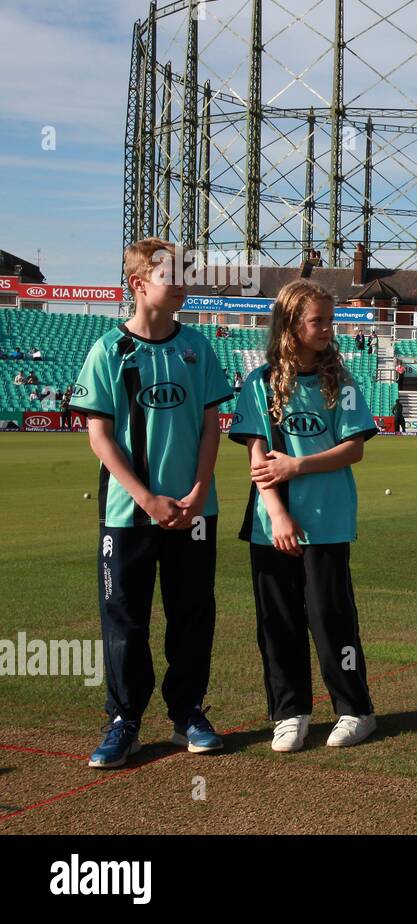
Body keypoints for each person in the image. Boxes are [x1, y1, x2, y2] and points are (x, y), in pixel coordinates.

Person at [67, 237, 233, 769]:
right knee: (125, 619)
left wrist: (199, 491)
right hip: (128, 514)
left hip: (194, 512)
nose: (182, 284)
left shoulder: (198, 348)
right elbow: (100, 436)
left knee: (192, 615)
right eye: (172, 275)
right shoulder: (108, 351)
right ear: (139, 284)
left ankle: (188, 713)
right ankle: (124, 722)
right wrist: (146, 498)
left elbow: (212, 424)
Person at [228, 279, 379, 753]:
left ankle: (355, 710)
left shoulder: (342, 381)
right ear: (291, 324)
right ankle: (289, 713)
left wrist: (299, 464)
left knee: (331, 618)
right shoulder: (260, 383)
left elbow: (353, 449)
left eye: (329, 321)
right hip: (272, 525)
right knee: (278, 622)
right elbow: (257, 458)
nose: (327, 330)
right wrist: (278, 515)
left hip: (328, 519)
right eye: (318, 321)